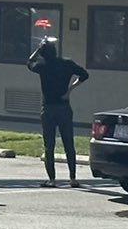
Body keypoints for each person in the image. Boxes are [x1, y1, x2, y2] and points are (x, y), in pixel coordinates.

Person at [26, 38, 89, 187]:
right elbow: (84, 75)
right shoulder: (66, 64)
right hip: (64, 107)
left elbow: (29, 62)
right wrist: (69, 90)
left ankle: (52, 179)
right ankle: (73, 178)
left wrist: (38, 49)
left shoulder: (42, 66)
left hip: (48, 108)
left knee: (49, 145)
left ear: (43, 53)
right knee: (69, 143)